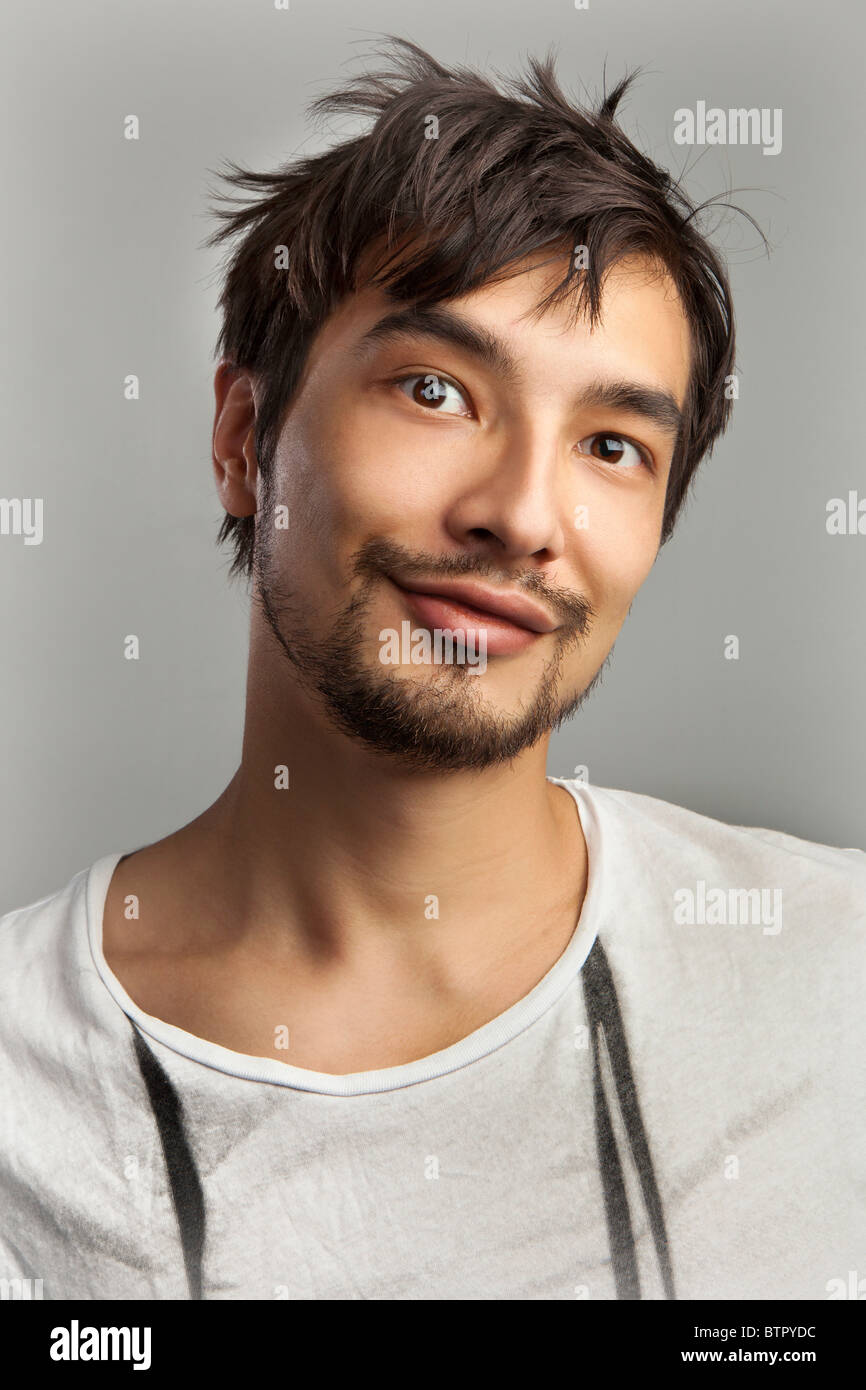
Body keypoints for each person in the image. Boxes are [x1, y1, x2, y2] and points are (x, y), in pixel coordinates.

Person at [1, 37, 862, 1302]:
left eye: (612, 445)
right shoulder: (24, 1096)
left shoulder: (833, 982)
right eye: (435, 389)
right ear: (245, 442)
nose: (520, 513)